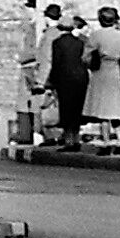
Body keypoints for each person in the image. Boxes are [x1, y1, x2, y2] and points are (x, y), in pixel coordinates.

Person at [81, 5, 120, 145]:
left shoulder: (96, 35)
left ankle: (106, 141)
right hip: (115, 70)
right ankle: (119, 140)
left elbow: (85, 56)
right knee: (115, 107)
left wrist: (90, 63)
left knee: (102, 109)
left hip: (101, 70)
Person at [42, 9, 91, 155]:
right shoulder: (80, 42)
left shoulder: (57, 43)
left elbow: (56, 63)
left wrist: (51, 81)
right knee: (77, 109)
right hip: (81, 79)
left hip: (65, 79)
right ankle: (76, 138)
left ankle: (69, 140)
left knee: (66, 109)